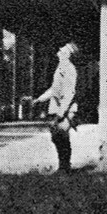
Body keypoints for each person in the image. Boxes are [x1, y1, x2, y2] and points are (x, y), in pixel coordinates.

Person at [35, 42, 79, 173]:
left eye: (63, 50)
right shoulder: (61, 67)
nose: (59, 51)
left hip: (65, 110)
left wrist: (61, 112)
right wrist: (39, 99)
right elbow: (54, 89)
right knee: (57, 137)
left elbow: (70, 92)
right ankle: (63, 166)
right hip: (57, 108)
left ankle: (65, 167)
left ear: (68, 55)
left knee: (61, 137)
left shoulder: (69, 69)